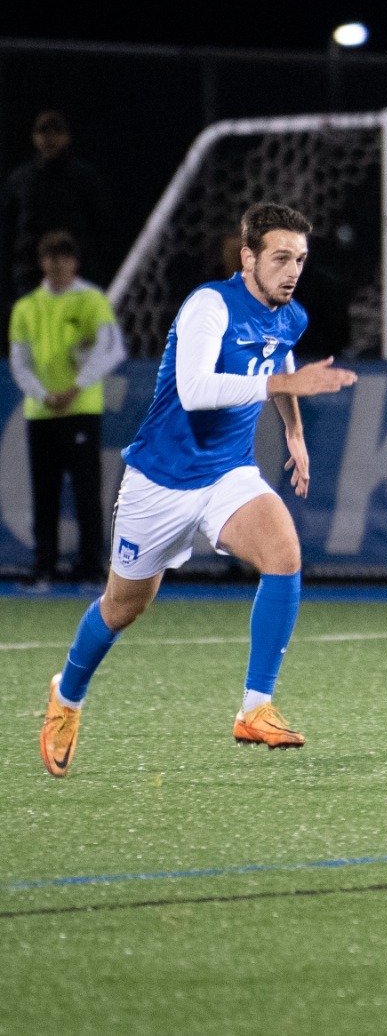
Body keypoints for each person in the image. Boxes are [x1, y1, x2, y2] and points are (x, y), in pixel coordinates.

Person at [37, 202, 357, 778]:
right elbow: (196, 389)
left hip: (226, 474)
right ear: (248, 258)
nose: (292, 270)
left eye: (301, 260)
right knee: (123, 607)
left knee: (283, 550)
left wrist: (294, 431)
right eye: (280, 257)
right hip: (158, 484)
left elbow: (278, 354)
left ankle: (254, 708)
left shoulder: (290, 314)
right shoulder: (209, 305)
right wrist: (286, 383)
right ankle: (68, 696)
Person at [9, 231, 124, 584]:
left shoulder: (91, 301)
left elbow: (112, 350)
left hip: (81, 409)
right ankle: (44, 566)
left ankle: (91, 567)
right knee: (44, 492)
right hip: (41, 412)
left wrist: (75, 388)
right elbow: (20, 361)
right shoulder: (27, 307)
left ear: (74, 262)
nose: (57, 266)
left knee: (87, 490)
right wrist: (44, 395)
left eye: (63, 258)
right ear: (42, 262)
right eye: (50, 258)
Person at [0, 111, 113, 300]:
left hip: (79, 278)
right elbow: (7, 231)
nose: (49, 138)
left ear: (66, 137)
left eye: (56, 131)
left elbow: (103, 229)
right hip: (31, 280)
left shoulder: (85, 179)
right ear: (34, 137)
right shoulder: (19, 181)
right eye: (43, 132)